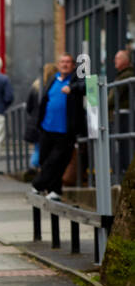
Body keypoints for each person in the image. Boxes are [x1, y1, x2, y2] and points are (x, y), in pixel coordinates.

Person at [31, 53, 87, 200]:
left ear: (73, 65)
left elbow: (86, 86)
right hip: (47, 127)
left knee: (56, 160)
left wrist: (72, 88)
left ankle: (38, 184)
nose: (65, 64)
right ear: (58, 64)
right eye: (62, 62)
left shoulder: (75, 79)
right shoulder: (53, 79)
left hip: (65, 130)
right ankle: (54, 190)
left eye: (68, 62)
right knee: (44, 160)